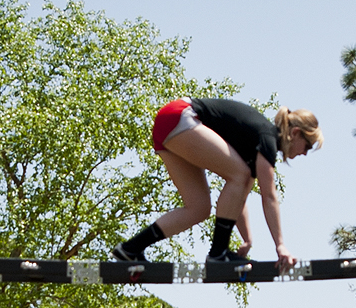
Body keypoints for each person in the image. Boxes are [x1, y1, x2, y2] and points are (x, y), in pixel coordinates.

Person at [110, 99, 320, 268]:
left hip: (169, 125)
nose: (304, 153)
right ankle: (218, 253)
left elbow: (239, 196)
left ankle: (130, 249)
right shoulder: (267, 139)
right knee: (240, 175)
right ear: (295, 133)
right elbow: (269, 196)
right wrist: (280, 245)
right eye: (307, 146)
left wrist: (247, 239)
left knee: (199, 208)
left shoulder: (255, 147)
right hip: (180, 115)